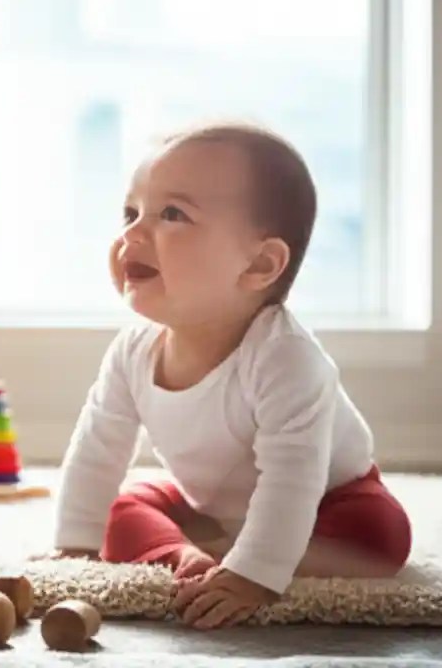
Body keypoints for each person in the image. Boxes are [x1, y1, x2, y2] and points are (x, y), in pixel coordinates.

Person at [50, 124, 412, 629]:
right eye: (131, 213)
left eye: (172, 215)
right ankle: (187, 557)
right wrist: (76, 544)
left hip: (326, 501)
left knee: (381, 533)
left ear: (260, 264)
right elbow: (97, 449)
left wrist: (254, 574)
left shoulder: (286, 359)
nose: (132, 234)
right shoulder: (133, 350)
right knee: (121, 506)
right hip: (209, 506)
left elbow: (293, 478)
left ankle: (247, 553)